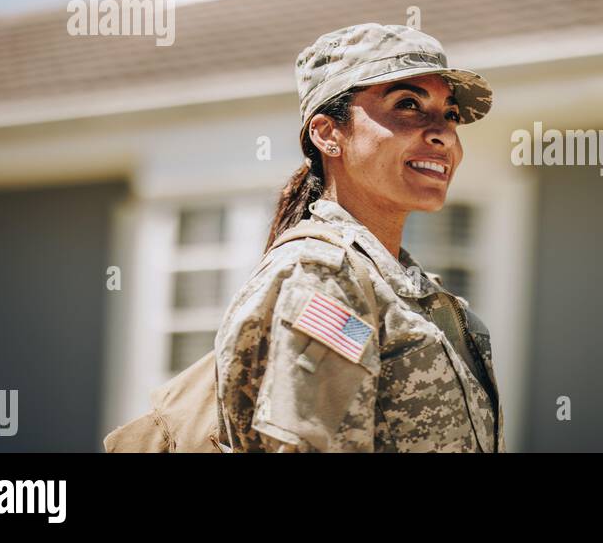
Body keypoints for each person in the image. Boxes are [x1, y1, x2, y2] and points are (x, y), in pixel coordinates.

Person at [214, 23, 504, 452]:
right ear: (329, 134)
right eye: (408, 104)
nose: (443, 134)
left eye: (451, 114)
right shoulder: (324, 279)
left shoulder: (402, 286)